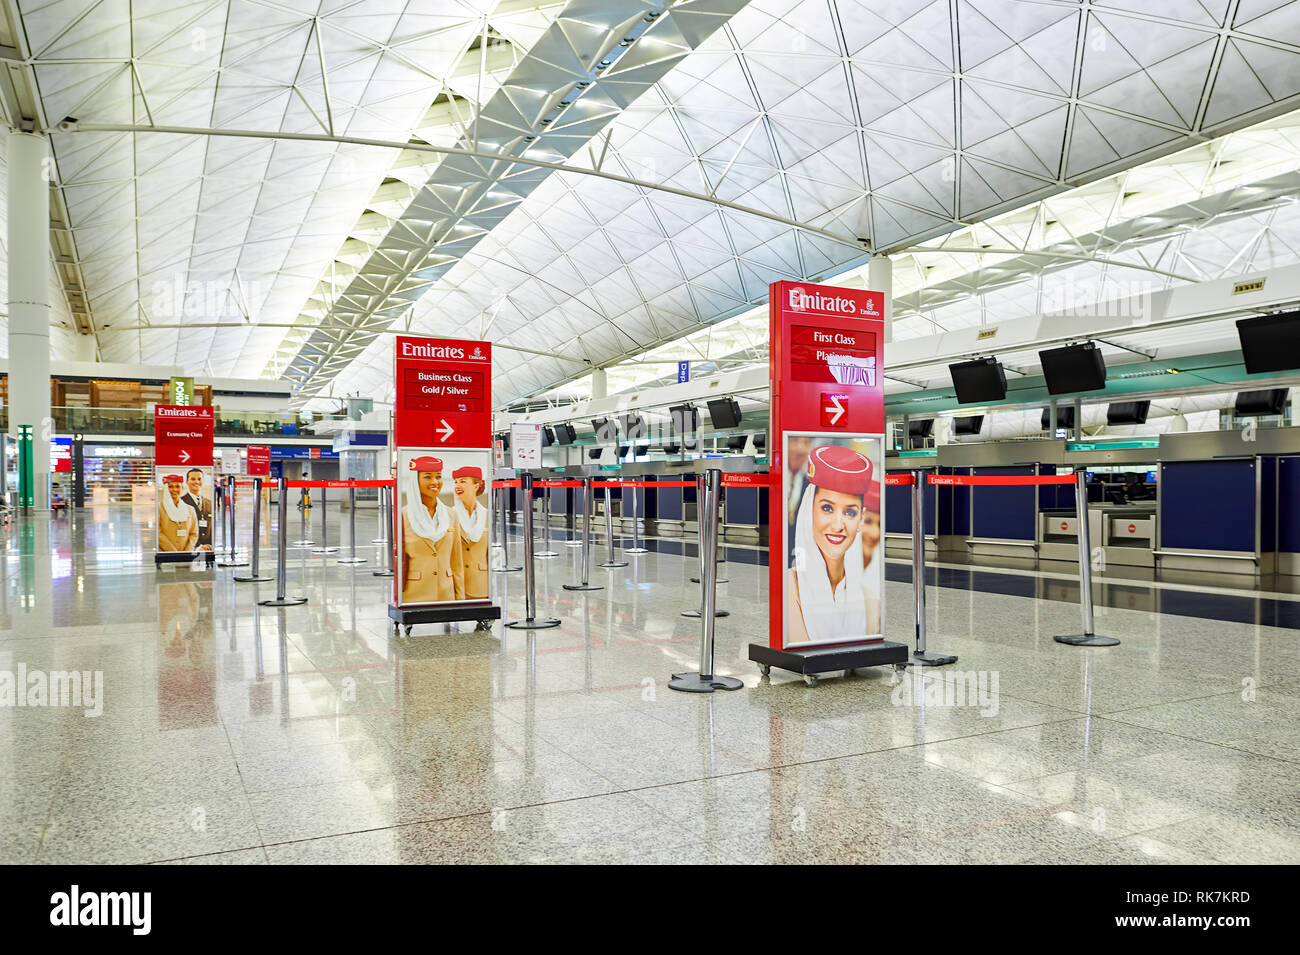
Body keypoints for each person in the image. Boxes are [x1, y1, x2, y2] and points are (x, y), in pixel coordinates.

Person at [786, 445, 876, 645]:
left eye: (850, 512)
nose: (837, 525)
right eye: (827, 508)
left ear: (861, 519)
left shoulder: (869, 601)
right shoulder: (789, 587)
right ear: (809, 510)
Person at [400, 456, 464, 604]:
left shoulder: (451, 514)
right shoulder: (402, 516)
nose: (435, 482)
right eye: (428, 477)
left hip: (445, 592)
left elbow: (457, 561)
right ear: (415, 481)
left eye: (438, 477)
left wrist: (460, 598)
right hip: (413, 593)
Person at [452, 465, 490, 600]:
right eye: (455, 482)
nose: (457, 485)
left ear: (476, 486)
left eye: (462, 481)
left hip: (480, 583)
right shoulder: (449, 515)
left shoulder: (487, 515)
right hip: (454, 583)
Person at [785, 435, 813, 563]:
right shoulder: (776, 482)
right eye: (795, 441)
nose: (800, 449)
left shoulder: (809, 485)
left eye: (806, 442)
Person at [158, 473, 199, 552]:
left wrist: (187, 552)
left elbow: (194, 533)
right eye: (170, 487)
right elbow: (158, 533)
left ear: (182, 488)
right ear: (166, 488)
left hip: (186, 555)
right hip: (165, 553)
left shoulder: (190, 509)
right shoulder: (159, 508)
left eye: (177, 486)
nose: (174, 490)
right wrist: (173, 552)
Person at [180, 468, 212, 550]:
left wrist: (210, 545)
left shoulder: (209, 503)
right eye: (193, 479)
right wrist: (198, 546)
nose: (196, 482)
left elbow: (211, 527)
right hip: (189, 548)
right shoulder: (181, 502)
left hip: (207, 549)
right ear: (187, 481)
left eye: (199, 479)